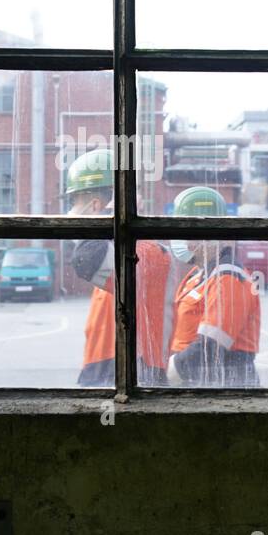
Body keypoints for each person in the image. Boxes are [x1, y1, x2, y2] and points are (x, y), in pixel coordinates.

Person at [64, 148, 178, 387]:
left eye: (76, 203)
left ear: (95, 205)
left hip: (134, 373)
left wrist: (106, 217)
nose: (71, 213)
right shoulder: (117, 249)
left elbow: (85, 259)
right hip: (105, 369)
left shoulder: (149, 252)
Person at [167, 186, 262, 387]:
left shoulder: (229, 279)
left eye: (184, 231)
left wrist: (173, 369)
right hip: (198, 380)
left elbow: (211, 348)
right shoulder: (199, 275)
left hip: (222, 384)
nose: (179, 239)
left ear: (206, 235)